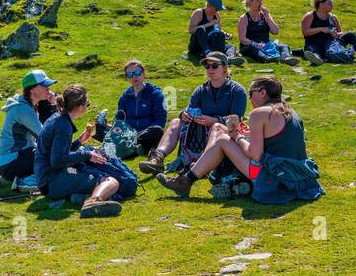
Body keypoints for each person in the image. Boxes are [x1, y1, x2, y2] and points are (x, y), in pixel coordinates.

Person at [155, 77, 323, 203]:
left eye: (252, 94)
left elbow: (255, 155)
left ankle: (186, 180)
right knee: (223, 132)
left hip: (268, 176)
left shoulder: (260, 113)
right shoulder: (290, 112)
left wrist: (237, 136)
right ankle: (201, 176)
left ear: (263, 92)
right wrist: (247, 134)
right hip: (296, 173)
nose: (250, 99)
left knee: (222, 140)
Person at [33, 84, 136, 218]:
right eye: (87, 103)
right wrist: (87, 154)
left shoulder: (57, 118)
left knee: (93, 175)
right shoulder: (63, 126)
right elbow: (57, 160)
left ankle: (80, 197)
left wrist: (79, 142)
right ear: (80, 106)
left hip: (45, 179)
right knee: (111, 182)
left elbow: (58, 152)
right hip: (52, 181)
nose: (87, 106)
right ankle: (92, 203)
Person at [140, 52, 248, 179]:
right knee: (176, 121)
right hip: (200, 132)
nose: (210, 69)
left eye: (214, 66)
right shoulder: (200, 90)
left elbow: (236, 119)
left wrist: (214, 120)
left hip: (223, 134)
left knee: (216, 126)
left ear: (224, 68)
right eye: (207, 66)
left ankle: (201, 165)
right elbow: (190, 109)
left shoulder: (237, 90)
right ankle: (157, 158)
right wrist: (184, 115)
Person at [0, 69, 56, 186]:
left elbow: (48, 130)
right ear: (32, 89)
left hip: (18, 157)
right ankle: (27, 181)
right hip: (10, 164)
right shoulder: (22, 109)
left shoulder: (30, 105)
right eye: (44, 85)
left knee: (53, 154)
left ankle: (34, 178)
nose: (48, 88)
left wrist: (51, 105)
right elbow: (44, 136)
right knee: (52, 156)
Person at [300, 0, 356, 65]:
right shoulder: (310, 16)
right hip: (315, 43)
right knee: (313, 50)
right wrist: (321, 29)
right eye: (329, 3)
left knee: (351, 34)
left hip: (332, 43)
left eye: (332, 2)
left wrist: (336, 34)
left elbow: (340, 32)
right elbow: (305, 32)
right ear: (321, 4)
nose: (332, 4)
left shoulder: (333, 17)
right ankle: (317, 58)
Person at [114, 60, 168, 154]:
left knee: (157, 130)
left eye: (137, 73)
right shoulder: (125, 96)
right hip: (128, 133)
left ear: (144, 73)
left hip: (147, 133)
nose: (134, 76)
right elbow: (119, 118)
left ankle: (129, 147)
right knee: (102, 128)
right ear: (127, 77)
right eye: (130, 74)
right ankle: (136, 148)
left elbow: (160, 120)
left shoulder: (155, 93)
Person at [238, 0, 300, 64]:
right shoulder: (244, 18)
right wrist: (255, 44)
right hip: (250, 45)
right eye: (258, 1)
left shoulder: (265, 15)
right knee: (252, 49)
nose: (260, 3)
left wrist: (267, 17)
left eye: (261, 1)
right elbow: (242, 39)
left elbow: (276, 31)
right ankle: (267, 59)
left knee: (284, 46)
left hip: (266, 44)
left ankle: (286, 58)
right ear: (250, 3)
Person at [187, 0, 244, 64]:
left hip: (211, 43)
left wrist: (225, 34)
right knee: (200, 29)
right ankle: (208, 53)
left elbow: (218, 30)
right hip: (198, 45)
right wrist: (209, 24)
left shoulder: (217, 15)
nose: (217, 11)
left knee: (231, 46)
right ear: (209, 6)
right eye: (216, 9)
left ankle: (229, 58)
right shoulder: (199, 13)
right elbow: (191, 30)